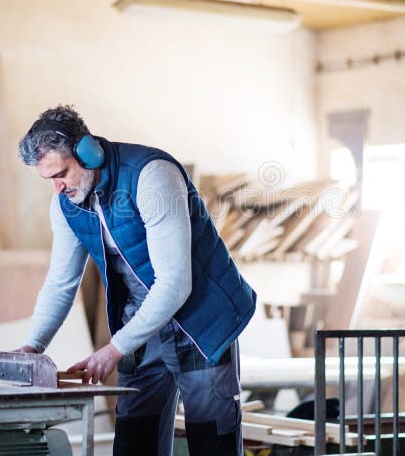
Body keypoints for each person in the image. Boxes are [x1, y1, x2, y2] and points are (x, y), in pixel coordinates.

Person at [15, 105, 256, 456]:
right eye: (48, 178)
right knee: (133, 440)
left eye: (61, 173)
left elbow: (175, 283)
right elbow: (60, 283)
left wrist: (113, 350)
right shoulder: (66, 204)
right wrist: (32, 347)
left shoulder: (152, 176)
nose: (57, 187)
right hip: (142, 322)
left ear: (88, 152)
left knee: (211, 441)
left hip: (201, 320)